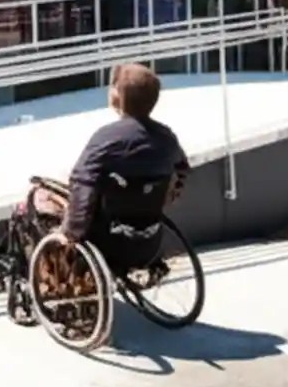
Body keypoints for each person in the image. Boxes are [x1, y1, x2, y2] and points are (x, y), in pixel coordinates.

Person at [26, 63, 190, 269]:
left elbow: (83, 184)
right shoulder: (166, 137)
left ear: (116, 98)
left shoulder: (107, 138)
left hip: (107, 243)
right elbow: (182, 169)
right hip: (150, 240)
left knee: (40, 194)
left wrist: (71, 233)